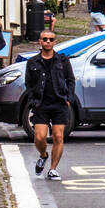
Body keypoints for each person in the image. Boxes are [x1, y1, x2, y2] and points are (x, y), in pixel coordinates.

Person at [25, 29, 75, 182]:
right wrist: (33, 99)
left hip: (59, 102)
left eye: (50, 39)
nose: (47, 42)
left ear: (55, 42)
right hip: (41, 104)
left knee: (58, 136)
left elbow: (71, 80)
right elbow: (29, 84)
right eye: (45, 39)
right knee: (39, 137)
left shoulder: (62, 60)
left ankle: (53, 169)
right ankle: (43, 155)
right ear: (40, 41)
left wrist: (69, 99)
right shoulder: (32, 62)